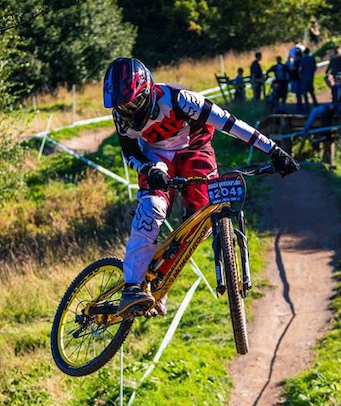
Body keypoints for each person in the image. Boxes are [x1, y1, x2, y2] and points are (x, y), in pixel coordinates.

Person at [102, 57, 299, 315]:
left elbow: (231, 124)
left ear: (148, 88)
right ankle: (132, 287)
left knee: (202, 221)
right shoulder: (122, 116)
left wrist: (273, 151)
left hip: (195, 150)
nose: (129, 110)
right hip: (156, 159)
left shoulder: (180, 100)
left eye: (134, 102)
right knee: (151, 209)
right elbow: (130, 154)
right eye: (122, 106)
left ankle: (161, 279)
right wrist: (147, 169)